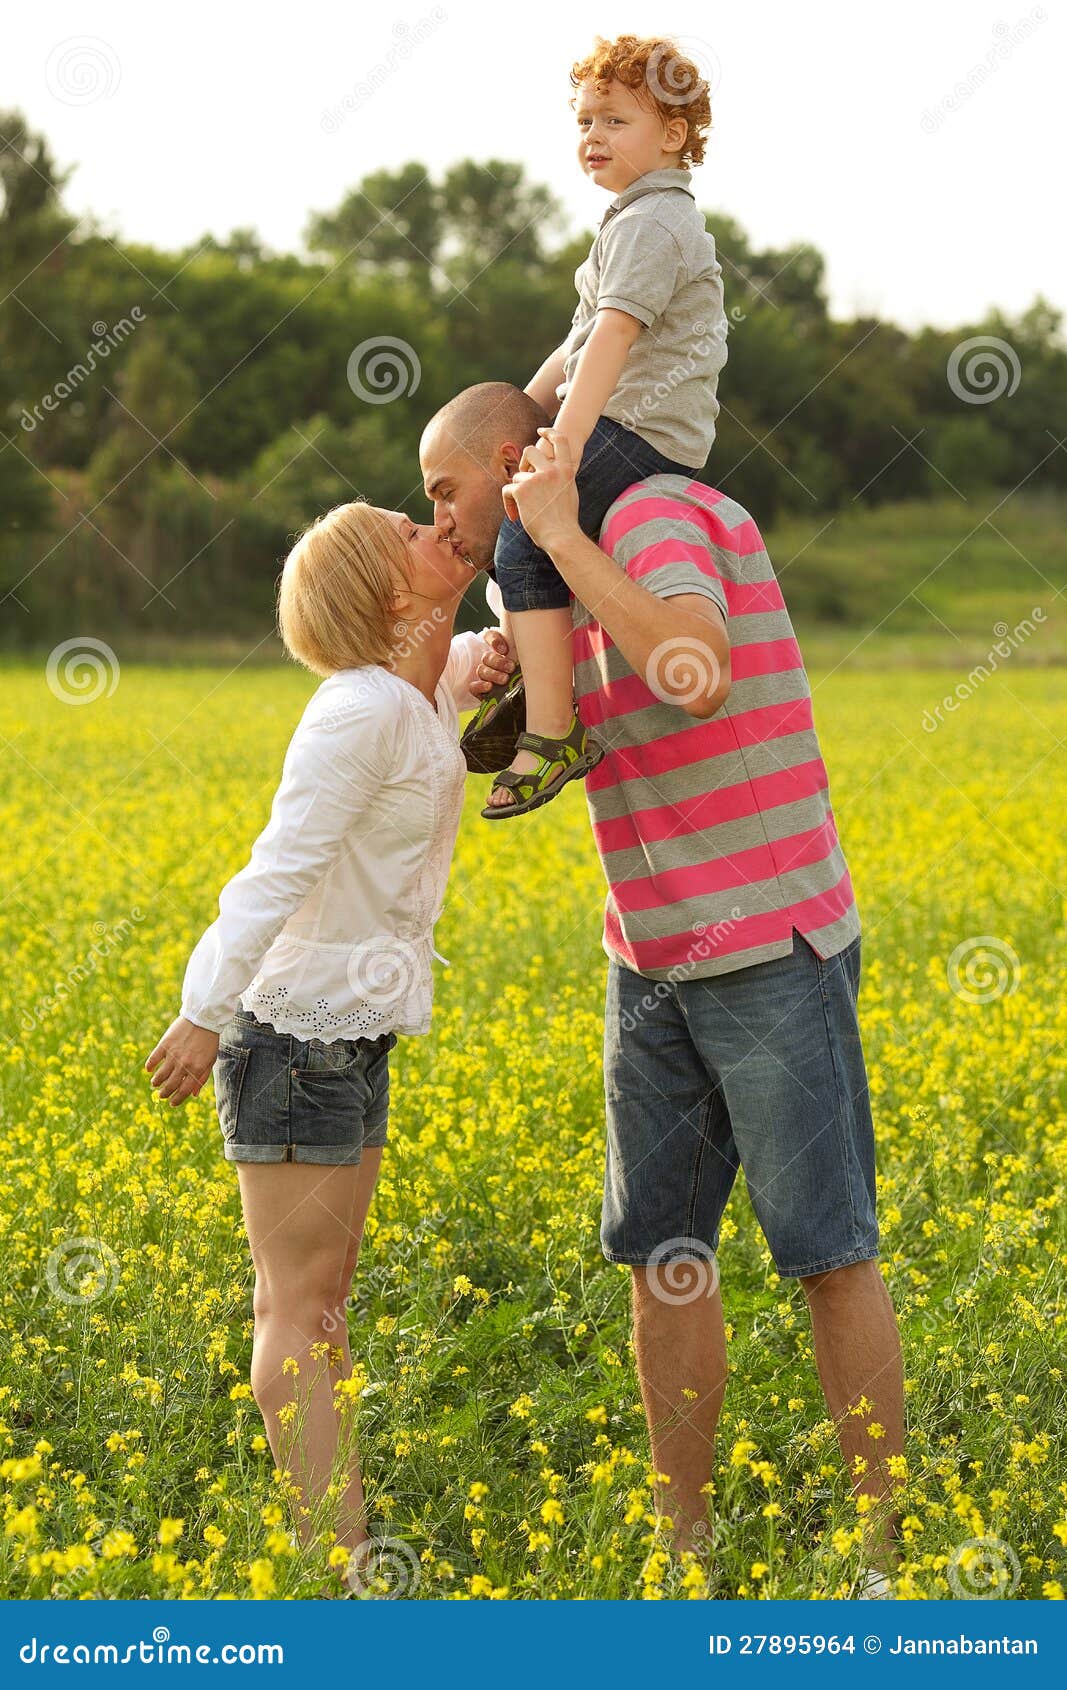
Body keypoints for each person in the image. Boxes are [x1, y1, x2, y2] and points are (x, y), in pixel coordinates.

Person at [420, 388, 904, 1598]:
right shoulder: (544, 570)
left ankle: (884, 1564)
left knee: (827, 1254)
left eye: (444, 492)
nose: (442, 516)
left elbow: (692, 670)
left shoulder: (652, 512)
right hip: (647, 955)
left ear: (504, 461)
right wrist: (491, 670)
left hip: (766, 949)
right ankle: (681, 1553)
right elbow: (565, 723)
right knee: (664, 1258)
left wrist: (563, 540)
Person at [144, 501, 495, 1588]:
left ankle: (339, 1537)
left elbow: (480, 648)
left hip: (351, 1036)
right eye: (401, 526)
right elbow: (277, 867)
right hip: (288, 1035)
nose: (420, 515)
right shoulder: (357, 712)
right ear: (383, 594)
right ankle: (331, 1562)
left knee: (323, 1303)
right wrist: (205, 1009)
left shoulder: (412, 692)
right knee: (293, 1312)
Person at [477, 32, 729, 819]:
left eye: (614, 121)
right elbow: (575, 343)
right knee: (510, 534)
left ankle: (552, 729)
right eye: (584, 121)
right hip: (622, 420)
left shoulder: (655, 223)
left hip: (639, 427)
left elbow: (614, 337)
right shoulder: (630, 222)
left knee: (525, 534)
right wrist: (510, 421)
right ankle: (536, 677)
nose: (592, 137)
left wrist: (565, 445)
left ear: (673, 134)